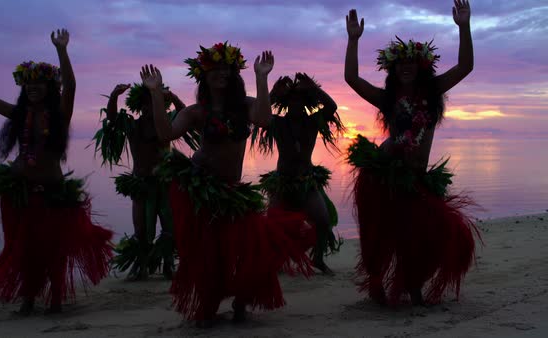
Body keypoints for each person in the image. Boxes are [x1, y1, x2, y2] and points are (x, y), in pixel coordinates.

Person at [142, 42, 315, 327]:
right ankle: (210, 303)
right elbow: (165, 133)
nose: (222, 73)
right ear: (204, 76)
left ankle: (241, 299)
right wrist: (155, 94)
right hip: (203, 191)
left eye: (227, 69)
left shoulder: (245, 105)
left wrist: (262, 77)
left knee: (255, 249)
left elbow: (263, 118)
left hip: (233, 192)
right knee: (210, 257)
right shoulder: (197, 111)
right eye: (215, 69)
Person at [344, 1, 480, 306]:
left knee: (424, 237)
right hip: (388, 179)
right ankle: (379, 283)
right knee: (382, 237)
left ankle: (414, 284)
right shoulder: (387, 99)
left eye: (411, 63)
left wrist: (464, 27)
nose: (405, 67)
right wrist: (353, 41)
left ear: (421, 68)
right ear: (393, 69)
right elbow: (352, 79)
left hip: (418, 178)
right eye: (400, 64)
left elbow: (465, 66)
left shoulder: (432, 94)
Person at [0, 29, 113, 315]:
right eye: (29, 84)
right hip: (19, 196)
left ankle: (56, 298)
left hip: (53, 197)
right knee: (23, 250)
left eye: (39, 83)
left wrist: (62, 49)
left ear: (49, 87)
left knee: (53, 251)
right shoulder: (20, 114)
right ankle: (27, 298)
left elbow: (70, 86)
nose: (33, 87)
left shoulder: (60, 115)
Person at [94, 82, 190, 281]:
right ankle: (142, 266)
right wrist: (114, 95)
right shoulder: (133, 126)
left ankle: (168, 265)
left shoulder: (168, 124)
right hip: (141, 183)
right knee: (141, 230)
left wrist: (171, 96)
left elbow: (185, 114)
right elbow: (112, 118)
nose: (150, 109)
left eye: (154, 104)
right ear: (139, 107)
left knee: (169, 227)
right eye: (145, 105)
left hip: (165, 183)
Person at [252, 72, 344, 275]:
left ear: (305, 103)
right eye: (291, 100)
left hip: (307, 181)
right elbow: (260, 113)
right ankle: (274, 260)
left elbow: (332, 108)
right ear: (285, 103)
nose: (295, 104)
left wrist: (313, 88)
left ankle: (317, 259)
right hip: (282, 182)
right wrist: (275, 93)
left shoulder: (312, 122)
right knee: (273, 224)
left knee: (323, 220)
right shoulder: (277, 122)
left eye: (299, 100)